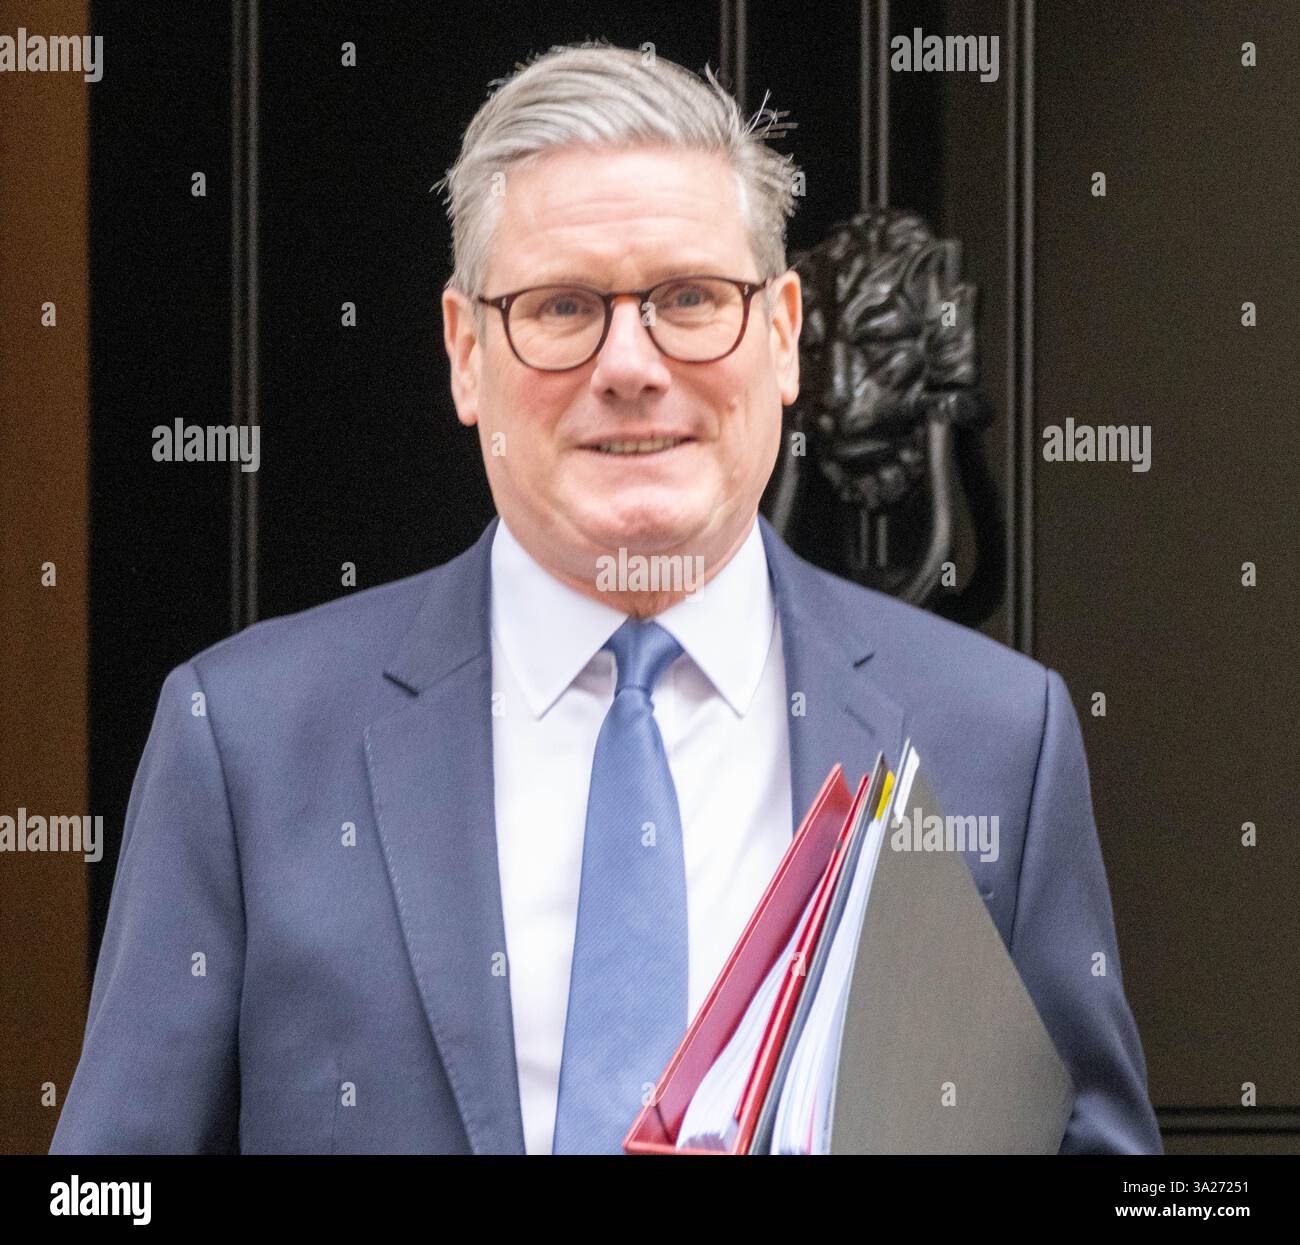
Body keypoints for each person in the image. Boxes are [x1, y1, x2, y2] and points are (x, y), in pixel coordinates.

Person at [51, 42, 1160, 1155]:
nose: (629, 364)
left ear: (780, 335)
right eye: (563, 306)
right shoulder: (245, 741)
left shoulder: (997, 738)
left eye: (688, 297)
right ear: (465, 352)